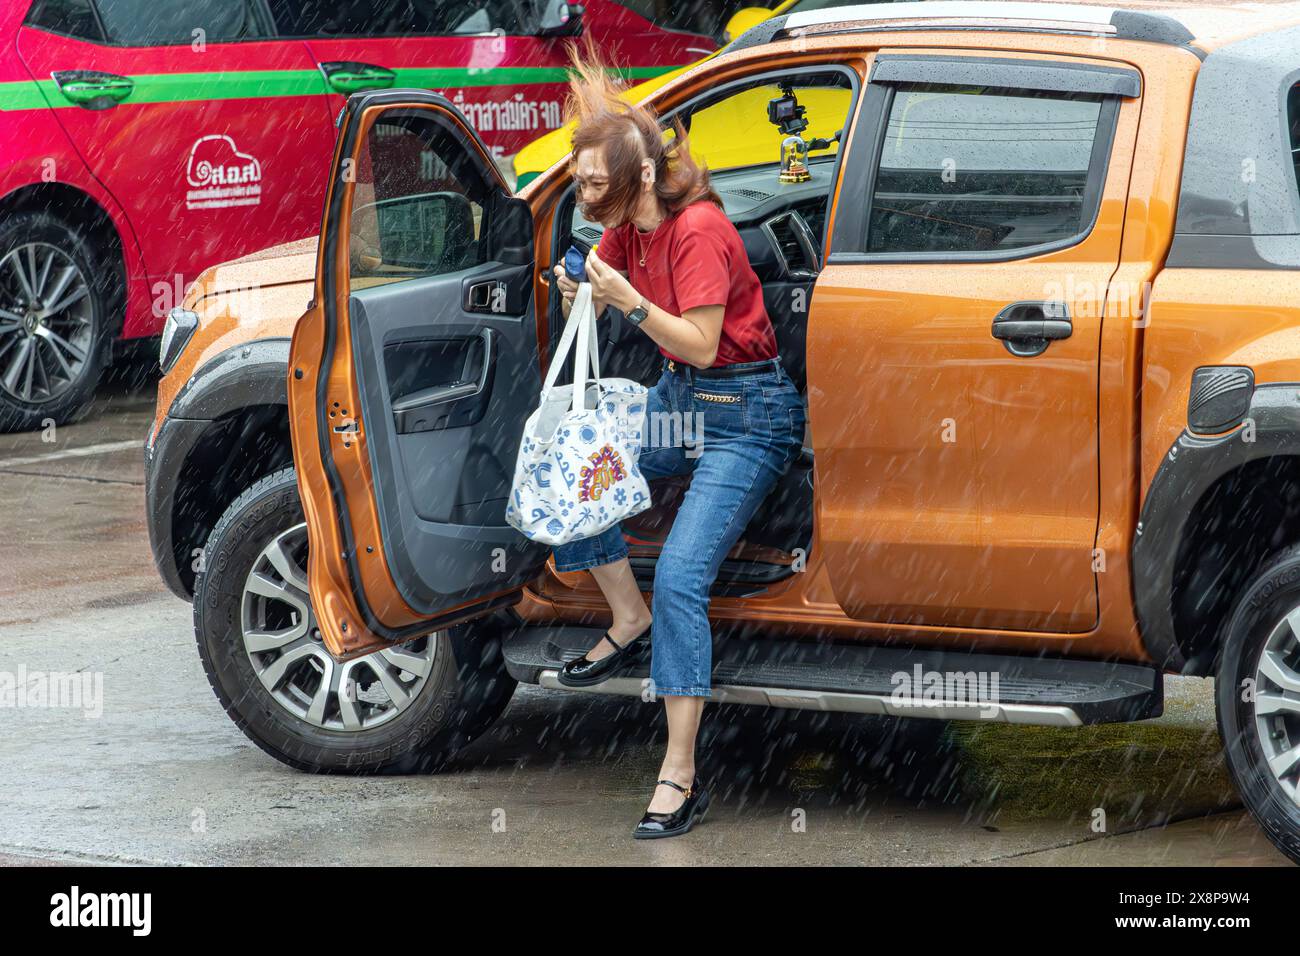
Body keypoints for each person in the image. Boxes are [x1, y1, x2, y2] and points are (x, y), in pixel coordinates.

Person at [547, 42, 806, 839]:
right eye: (582, 183)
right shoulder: (628, 228)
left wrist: (619, 299)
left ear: (638, 180)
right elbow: (601, 299)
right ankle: (628, 619)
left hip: (746, 414)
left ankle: (680, 773)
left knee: (686, 576)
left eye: (597, 186)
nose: (586, 200)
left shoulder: (698, 232)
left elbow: (697, 343)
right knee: (576, 477)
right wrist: (577, 291)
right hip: (679, 404)